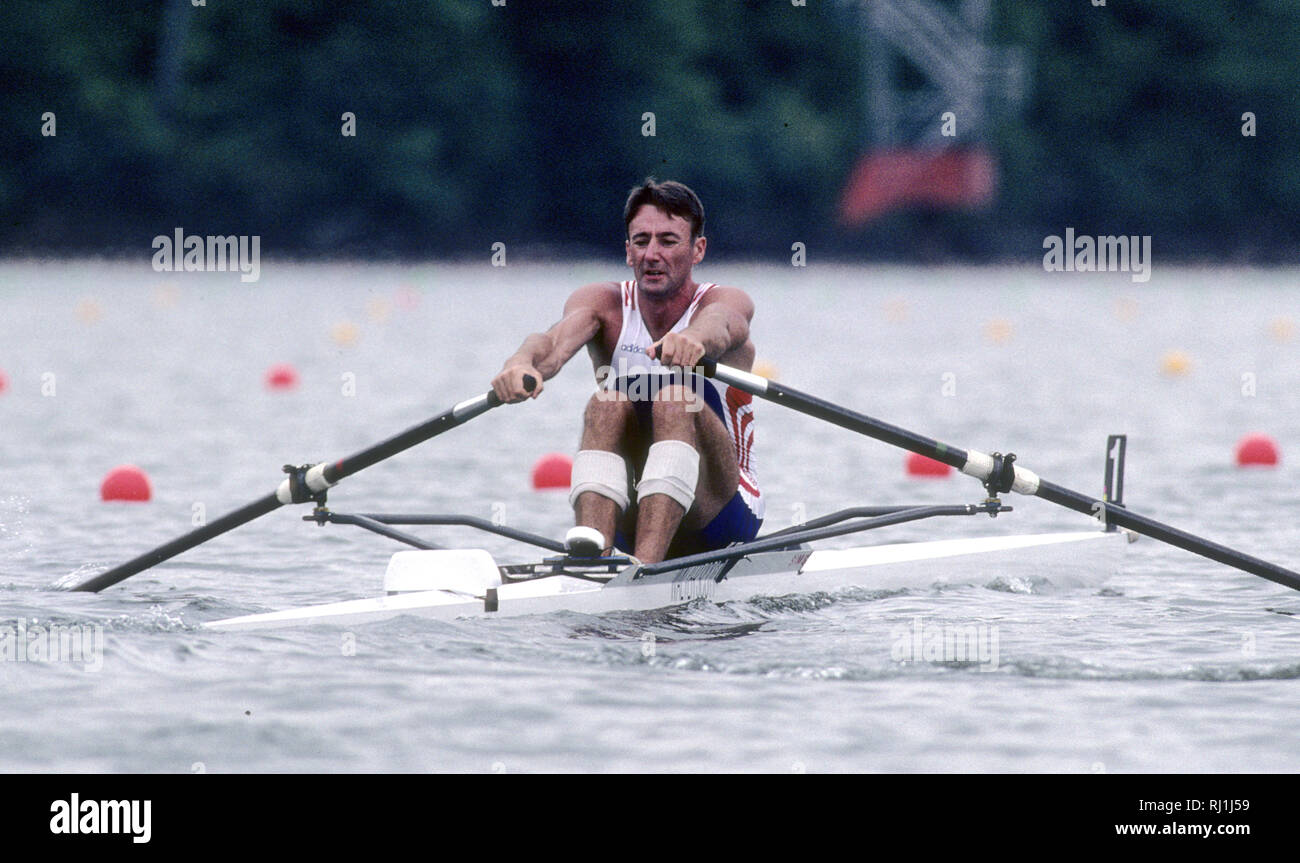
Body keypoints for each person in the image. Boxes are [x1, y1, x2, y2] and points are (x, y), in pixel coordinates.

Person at [491, 179, 763, 564]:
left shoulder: (722, 302)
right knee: (607, 402)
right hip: (632, 511)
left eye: (668, 241)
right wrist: (519, 363)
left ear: (698, 249)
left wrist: (694, 339)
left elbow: (723, 323)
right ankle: (599, 559)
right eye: (641, 241)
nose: (652, 254)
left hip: (723, 512)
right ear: (627, 251)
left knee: (675, 400)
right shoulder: (603, 304)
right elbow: (551, 347)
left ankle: (642, 570)